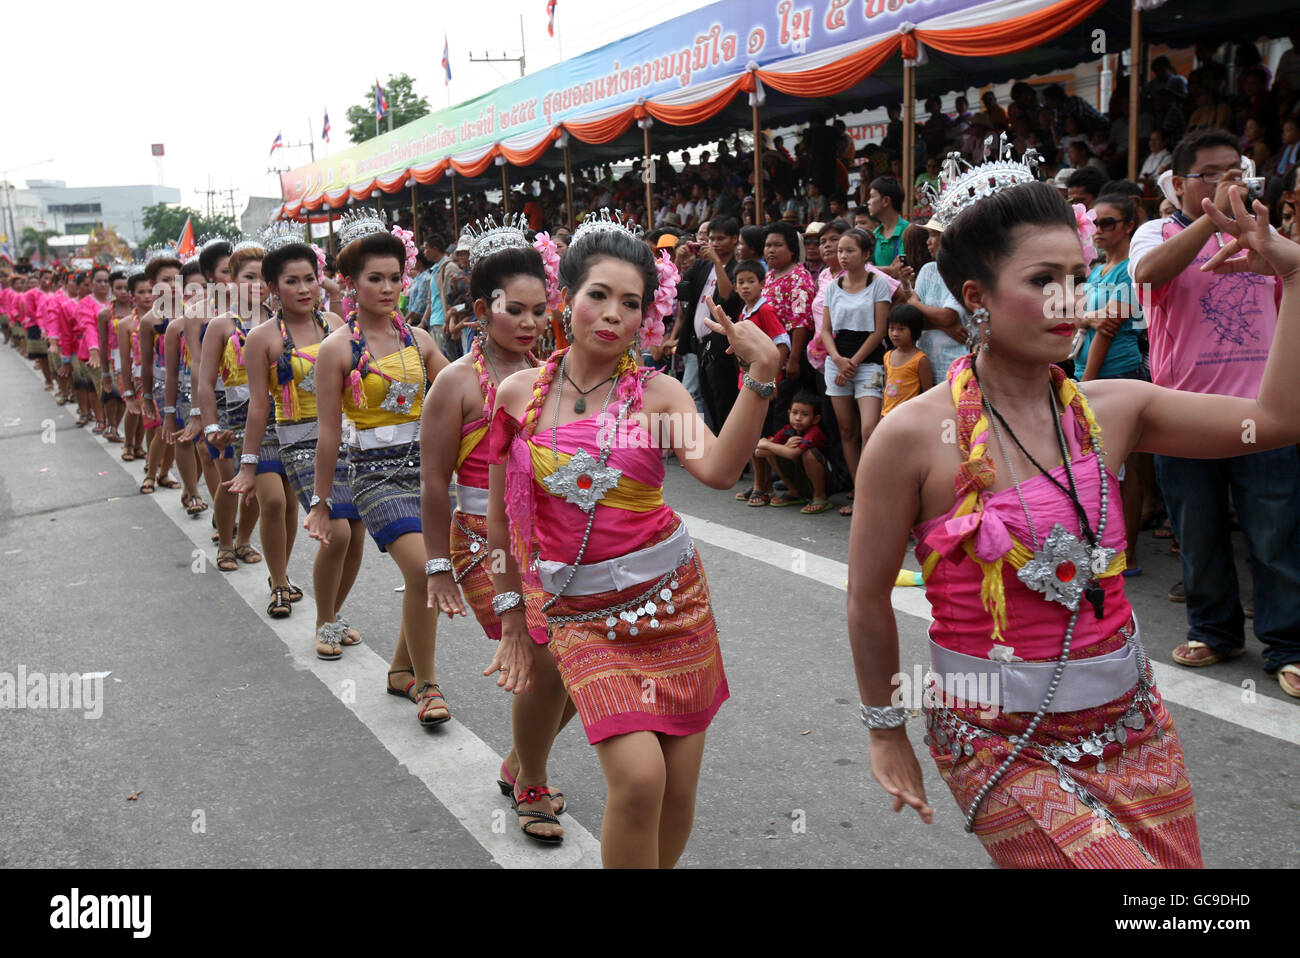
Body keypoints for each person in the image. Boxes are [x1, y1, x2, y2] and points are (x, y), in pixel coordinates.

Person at [850, 170, 1300, 866]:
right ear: (977, 298)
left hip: (1131, 726)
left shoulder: (1118, 408)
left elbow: (1275, 420)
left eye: (1079, 275)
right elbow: (867, 596)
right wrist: (885, 729)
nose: (1071, 298)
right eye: (1042, 280)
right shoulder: (911, 437)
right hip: (997, 738)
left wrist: (1295, 275)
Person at [484, 209, 781, 868]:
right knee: (640, 779)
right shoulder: (518, 395)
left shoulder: (660, 395)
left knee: (676, 793)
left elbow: (719, 470)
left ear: (649, 315)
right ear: (566, 298)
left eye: (631, 303)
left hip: (676, 609)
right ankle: (526, 767)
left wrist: (759, 381)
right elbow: (503, 518)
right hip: (581, 618)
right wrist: (510, 615)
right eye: (598, 295)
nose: (612, 314)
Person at [1129, 129, 1300, 699]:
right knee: (1197, 531)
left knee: (1275, 534)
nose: (1231, 181)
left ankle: (1289, 645)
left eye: (1237, 170)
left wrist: (1255, 230)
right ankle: (1214, 630)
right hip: (1185, 411)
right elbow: (1149, 274)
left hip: (1263, 407)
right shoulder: (1155, 229)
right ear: (1178, 183)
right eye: (1213, 173)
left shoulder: (1264, 230)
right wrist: (1210, 216)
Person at [422, 219, 576, 844]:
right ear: (483, 309)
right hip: (480, 541)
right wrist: (436, 565)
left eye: (542, 311)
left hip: (550, 540)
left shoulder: (553, 376)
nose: (532, 323)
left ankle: (519, 759)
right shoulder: (454, 383)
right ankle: (531, 783)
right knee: (543, 659)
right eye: (517, 310)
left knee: (571, 661)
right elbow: (433, 483)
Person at [307, 213, 451, 726]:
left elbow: (465, 394)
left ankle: (399, 670)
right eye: (375, 279)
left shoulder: (421, 341)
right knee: (424, 569)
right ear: (350, 284)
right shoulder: (336, 348)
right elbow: (328, 432)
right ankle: (428, 686)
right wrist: (323, 504)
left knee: (426, 573)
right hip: (373, 476)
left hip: (428, 476)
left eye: (395, 277)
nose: (388, 288)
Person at [1074, 192, 1148, 578]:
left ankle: (1129, 553)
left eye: (1108, 223)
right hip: (1091, 370)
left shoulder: (1128, 270)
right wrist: (1088, 318)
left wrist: (1083, 386)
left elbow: (1110, 326)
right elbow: (1079, 315)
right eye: (1095, 223)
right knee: (1098, 467)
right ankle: (1104, 546)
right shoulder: (1098, 270)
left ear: (1128, 227)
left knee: (1122, 466)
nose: (1098, 230)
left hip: (1117, 374)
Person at [193, 242, 266, 571]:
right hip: (230, 417)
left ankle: (244, 539)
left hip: (270, 417)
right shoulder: (221, 325)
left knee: (260, 484)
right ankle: (225, 541)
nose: (258, 285)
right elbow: (205, 382)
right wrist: (210, 427)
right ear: (233, 280)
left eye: (265, 278)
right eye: (249, 277)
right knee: (231, 481)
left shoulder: (280, 320)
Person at [821, 227, 892, 517]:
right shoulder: (832, 286)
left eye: (850, 250)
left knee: (869, 429)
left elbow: (880, 331)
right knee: (847, 430)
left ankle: (879, 488)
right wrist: (838, 359)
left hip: (869, 362)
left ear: (866, 254)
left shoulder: (879, 284)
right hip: (837, 361)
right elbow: (825, 330)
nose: (843, 256)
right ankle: (860, 491)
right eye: (840, 250)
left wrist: (852, 364)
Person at [727, 260, 790, 507]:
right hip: (748, 380)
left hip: (763, 382)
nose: (745, 287)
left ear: (763, 284)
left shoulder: (765, 310)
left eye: (750, 281)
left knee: (761, 434)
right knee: (752, 434)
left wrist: (772, 379)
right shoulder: (744, 312)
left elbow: (782, 342)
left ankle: (763, 487)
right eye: (740, 282)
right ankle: (759, 485)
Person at [753, 390, 831, 514]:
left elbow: (792, 454)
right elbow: (758, 452)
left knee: (808, 454)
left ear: (816, 419)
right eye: (795, 413)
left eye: (805, 414)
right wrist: (782, 446)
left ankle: (820, 497)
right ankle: (794, 492)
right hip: (799, 476)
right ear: (789, 413)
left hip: (824, 481)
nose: (798, 418)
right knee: (771, 450)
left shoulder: (815, 432)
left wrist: (770, 445)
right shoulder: (788, 430)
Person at [910, 220, 968, 386]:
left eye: (934, 235)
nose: (928, 241)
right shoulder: (928, 270)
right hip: (923, 361)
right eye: (928, 235)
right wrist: (943, 327)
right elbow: (912, 318)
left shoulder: (963, 272)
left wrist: (916, 303)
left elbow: (947, 316)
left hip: (955, 363)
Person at [879, 303, 930, 416]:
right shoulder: (888, 356)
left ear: (914, 331)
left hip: (907, 417)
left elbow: (927, 393)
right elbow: (885, 389)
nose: (895, 334)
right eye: (891, 328)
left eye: (901, 329)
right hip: (886, 415)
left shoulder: (920, 360)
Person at [866, 177, 909, 278]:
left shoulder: (908, 230)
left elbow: (902, 269)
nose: (868, 202)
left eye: (872, 197)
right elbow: (863, 266)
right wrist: (889, 270)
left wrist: (871, 269)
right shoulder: (875, 235)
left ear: (885, 201)